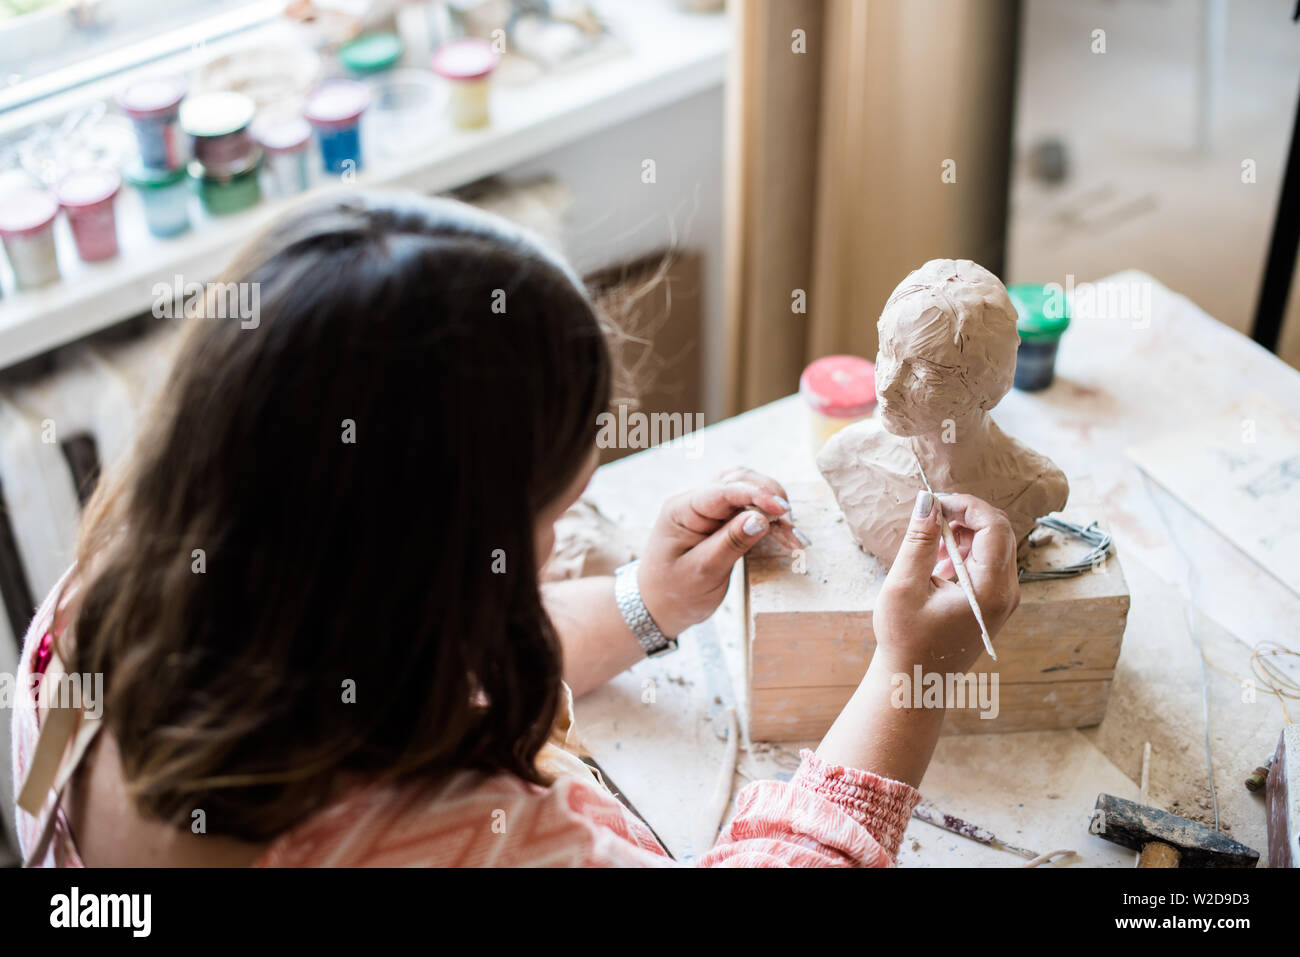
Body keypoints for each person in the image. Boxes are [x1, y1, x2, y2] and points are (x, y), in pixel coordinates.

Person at [11, 192, 1020, 867]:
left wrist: (644, 603)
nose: (548, 543)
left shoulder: (97, 617)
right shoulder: (465, 839)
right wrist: (906, 674)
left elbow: (406, 655)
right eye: (546, 518)